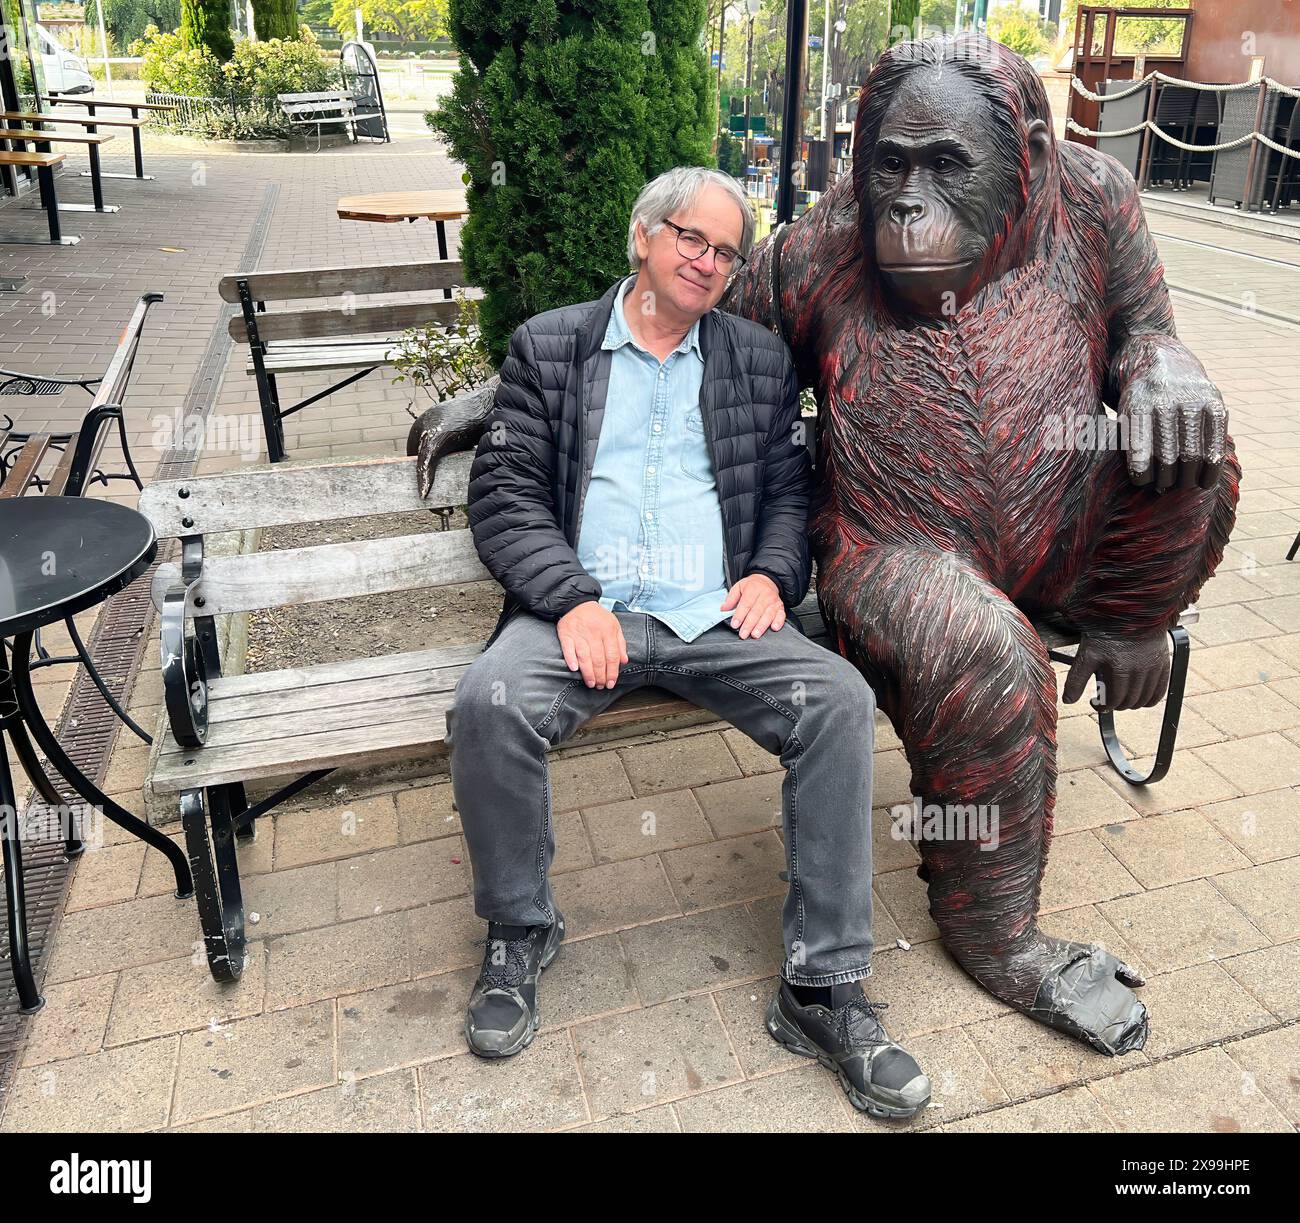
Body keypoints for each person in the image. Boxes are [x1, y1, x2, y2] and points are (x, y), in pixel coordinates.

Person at [445, 165, 931, 1120]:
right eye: (690, 238)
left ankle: (821, 986)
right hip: (582, 617)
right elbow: (502, 494)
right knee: (488, 703)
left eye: (726, 251)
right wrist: (570, 598)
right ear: (644, 237)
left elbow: (788, 491)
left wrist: (773, 575)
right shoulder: (552, 347)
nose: (707, 261)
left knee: (838, 699)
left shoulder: (755, 358)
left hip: (712, 615)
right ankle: (518, 929)